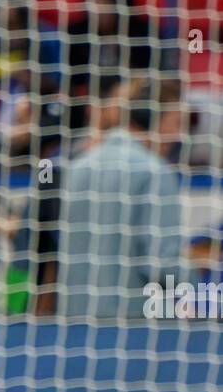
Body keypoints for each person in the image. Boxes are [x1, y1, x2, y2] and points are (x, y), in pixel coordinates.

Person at [56, 78, 186, 320]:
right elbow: (162, 263)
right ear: (152, 118)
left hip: (73, 326)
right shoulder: (155, 172)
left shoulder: (78, 167)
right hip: (132, 329)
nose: (179, 135)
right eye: (176, 122)